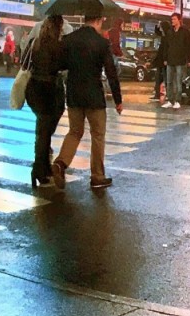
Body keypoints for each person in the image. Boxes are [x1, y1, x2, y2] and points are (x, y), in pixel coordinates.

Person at [51, 12, 122, 191]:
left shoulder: (69, 39)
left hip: (74, 93)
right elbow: (111, 72)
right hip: (94, 96)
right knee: (98, 135)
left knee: (75, 132)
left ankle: (60, 163)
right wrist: (118, 99)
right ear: (98, 20)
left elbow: (59, 65)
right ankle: (97, 176)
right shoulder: (101, 43)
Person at [23, 14, 66, 188]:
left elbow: (25, 63)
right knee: (45, 131)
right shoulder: (58, 46)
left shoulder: (35, 42)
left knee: (43, 129)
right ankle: (39, 169)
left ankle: (43, 167)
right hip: (50, 90)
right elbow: (63, 66)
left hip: (34, 88)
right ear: (58, 27)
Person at [162, 12, 190, 109]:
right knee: (169, 81)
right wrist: (165, 58)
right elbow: (166, 46)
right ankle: (170, 100)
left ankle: (177, 100)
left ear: (179, 20)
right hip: (170, 59)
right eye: (171, 19)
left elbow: (188, 46)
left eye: (174, 19)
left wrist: (189, 59)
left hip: (180, 60)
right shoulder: (169, 31)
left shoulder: (185, 31)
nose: (172, 21)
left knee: (178, 81)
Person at [152, 23, 168, 103]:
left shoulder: (167, 37)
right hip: (161, 62)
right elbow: (158, 32)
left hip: (164, 62)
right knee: (159, 78)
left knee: (165, 78)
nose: (160, 29)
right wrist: (157, 26)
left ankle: (165, 93)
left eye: (161, 27)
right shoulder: (163, 36)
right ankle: (158, 93)